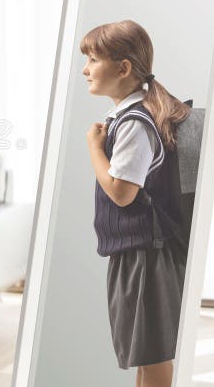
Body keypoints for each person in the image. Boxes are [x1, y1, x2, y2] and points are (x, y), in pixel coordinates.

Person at [81, 19, 190, 387]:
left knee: (155, 355)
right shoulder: (133, 115)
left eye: (93, 59)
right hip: (139, 251)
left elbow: (121, 192)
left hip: (147, 252)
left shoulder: (134, 122)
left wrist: (95, 149)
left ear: (123, 67)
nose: (86, 69)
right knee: (146, 354)